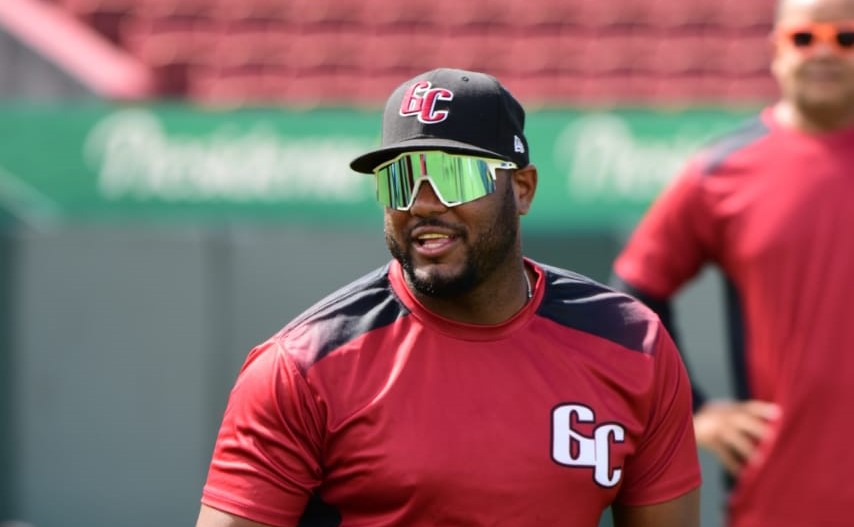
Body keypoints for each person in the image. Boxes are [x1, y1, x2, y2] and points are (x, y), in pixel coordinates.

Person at [195, 67, 701, 527]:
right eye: (400, 178)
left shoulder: (633, 345)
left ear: (522, 189)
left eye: (455, 175)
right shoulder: (300, 369)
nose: (423, 202)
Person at [610, 0, 854, 525]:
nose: (826, 53)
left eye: (847, 38)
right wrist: (695, 411)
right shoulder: (723, 171)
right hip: (781, 503)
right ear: (776, 51)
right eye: (805, 38)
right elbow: (632, 293)